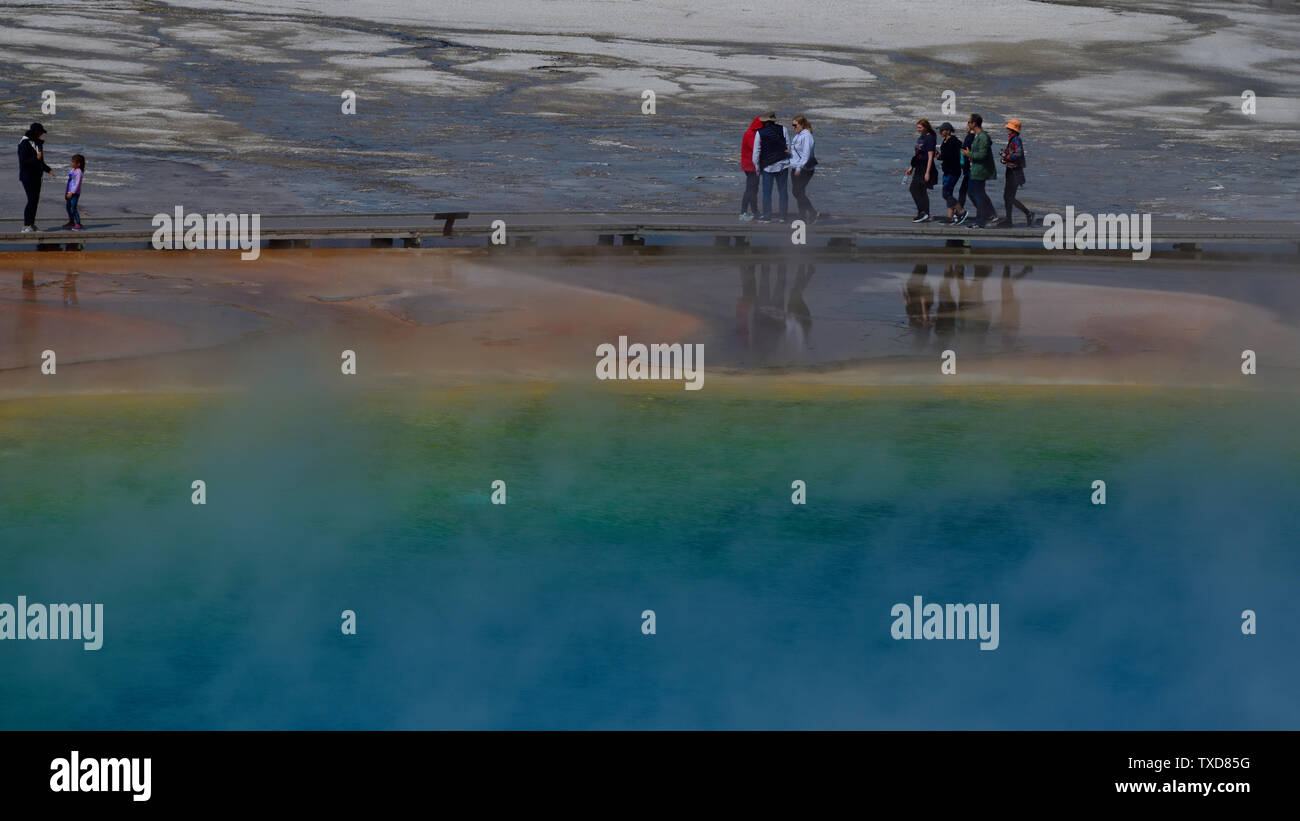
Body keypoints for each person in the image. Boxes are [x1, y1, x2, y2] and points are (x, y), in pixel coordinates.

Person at [751, 111, 791, 223]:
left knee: (767, 192)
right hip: (782, 164)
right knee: (783, 191)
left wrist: (757, 168)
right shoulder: (783, 129)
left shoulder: (760, 133)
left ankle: (767, 216)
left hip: (767, 166)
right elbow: (788, 147)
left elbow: (756, 153)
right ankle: (783, 217)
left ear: (765, 121)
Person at [961, 113, 998, 228]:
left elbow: (982, 155)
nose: (968, 124)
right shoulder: (977, 136)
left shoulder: (983, 137)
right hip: (975, 169)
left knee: (978, 194)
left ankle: (981, 220)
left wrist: (968, 153)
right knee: (972, 192)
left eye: (969, 122)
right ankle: (988, 214)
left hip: (981, 170)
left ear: (974, 124)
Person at [18, 122, 56, 233]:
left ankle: (31, 224)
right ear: (35, 132)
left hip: (37, 176)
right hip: (27, 176)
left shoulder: (38, 144)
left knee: (35, 201)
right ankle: (26, 226)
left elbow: (41, 162)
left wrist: (49, 170)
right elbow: (24, 162)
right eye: (40, 133)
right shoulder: (24, 144)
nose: (41, 135)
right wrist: (36, 158)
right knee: (31, 200)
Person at [996, 119, 1034, 227]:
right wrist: (1004, 158)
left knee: (1009, 197)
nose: (1006, 128)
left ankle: (1027, 213)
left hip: (1014, 172)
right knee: (1007, 196)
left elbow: (1019, 154)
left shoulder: (1016, 140)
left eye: (1008, 127)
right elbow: (1011, 155)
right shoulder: (1012, 139)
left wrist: (1006, 157)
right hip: (1011, 170)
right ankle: (1009, 220)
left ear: (1012, 129)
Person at [904, 119, 937, 222]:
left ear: (926, 127)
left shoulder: (930, 138)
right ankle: (923, 213)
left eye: (920, 127)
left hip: (925, 167)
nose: (918, 129)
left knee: (916, 189)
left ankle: (923, 213)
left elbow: (931, 156)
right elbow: (917, 155)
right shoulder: (920, 138)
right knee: (917, 190)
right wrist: (911, 167)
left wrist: (927, 173)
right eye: (917, 127)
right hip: (918, 166)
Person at [788, 115, 819, 223]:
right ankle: (802, 216)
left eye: (795, 125)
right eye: (792, 125)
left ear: (801, 124)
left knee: (797, 191)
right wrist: (789, 151)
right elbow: (797, 150)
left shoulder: (807, 136)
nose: (793, 127)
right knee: (799, 192)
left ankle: (812, 212)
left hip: (804, 169)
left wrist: (799, 168)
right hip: (796, 166)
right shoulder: (798, 135)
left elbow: (806, 154)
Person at [936, 122, 963, 223]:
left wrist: (941, 156)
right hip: (948, 170)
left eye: (942, 130)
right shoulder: (945, 140)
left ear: (948, 131)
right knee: (948, 193)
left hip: (953, 170)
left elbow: (950, 155)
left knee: (946, 193)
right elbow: (946, 156)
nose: (940, 131)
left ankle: (961, 211)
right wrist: (939, 157)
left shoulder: (952, 140)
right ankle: (950, 217)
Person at [739, 115, 763, 221]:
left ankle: (755, 211)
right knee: (750, 189)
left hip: (752, 166)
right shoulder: (750, 134)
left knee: (754, 189)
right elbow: (756, 149)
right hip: (750, 166)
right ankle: (743, 212)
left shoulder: (752, 133)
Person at [63, 154, 85, 231]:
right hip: (69, 192)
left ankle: (78, 223)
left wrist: (72, 192)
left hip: (74, 193)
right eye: (71, 162)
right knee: (68, 207)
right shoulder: (73, 170)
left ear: (78, 164)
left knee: (73, 208)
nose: (71, 163)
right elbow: (70, 181)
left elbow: (77, 184)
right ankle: (71, 222)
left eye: (73, 162)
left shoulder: (79, 172)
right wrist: (67, 192)